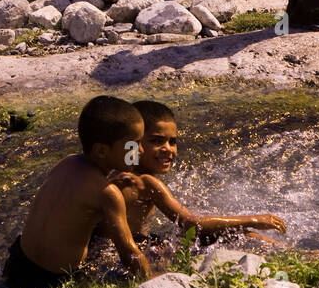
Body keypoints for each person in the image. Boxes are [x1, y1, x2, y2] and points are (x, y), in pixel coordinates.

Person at [3, 95, 151, 288]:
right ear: (101, 151)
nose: (141, 150)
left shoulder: (66, 162)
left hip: (18, 262)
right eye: (134, 144)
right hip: (54, 281)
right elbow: (128, 252)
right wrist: (153, 280)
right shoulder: (108, 194)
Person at [109, 100, 287, 250]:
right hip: (127, 250)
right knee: (235, 235)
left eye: (172, 141)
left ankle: (288, 253)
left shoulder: (116, 172)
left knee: (230, 234)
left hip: (125, 244)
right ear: (133, 143)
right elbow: (191, 224)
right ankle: (291, 255)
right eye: (156, 141)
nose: (168, 149)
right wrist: (253, 219)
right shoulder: (144, 182)